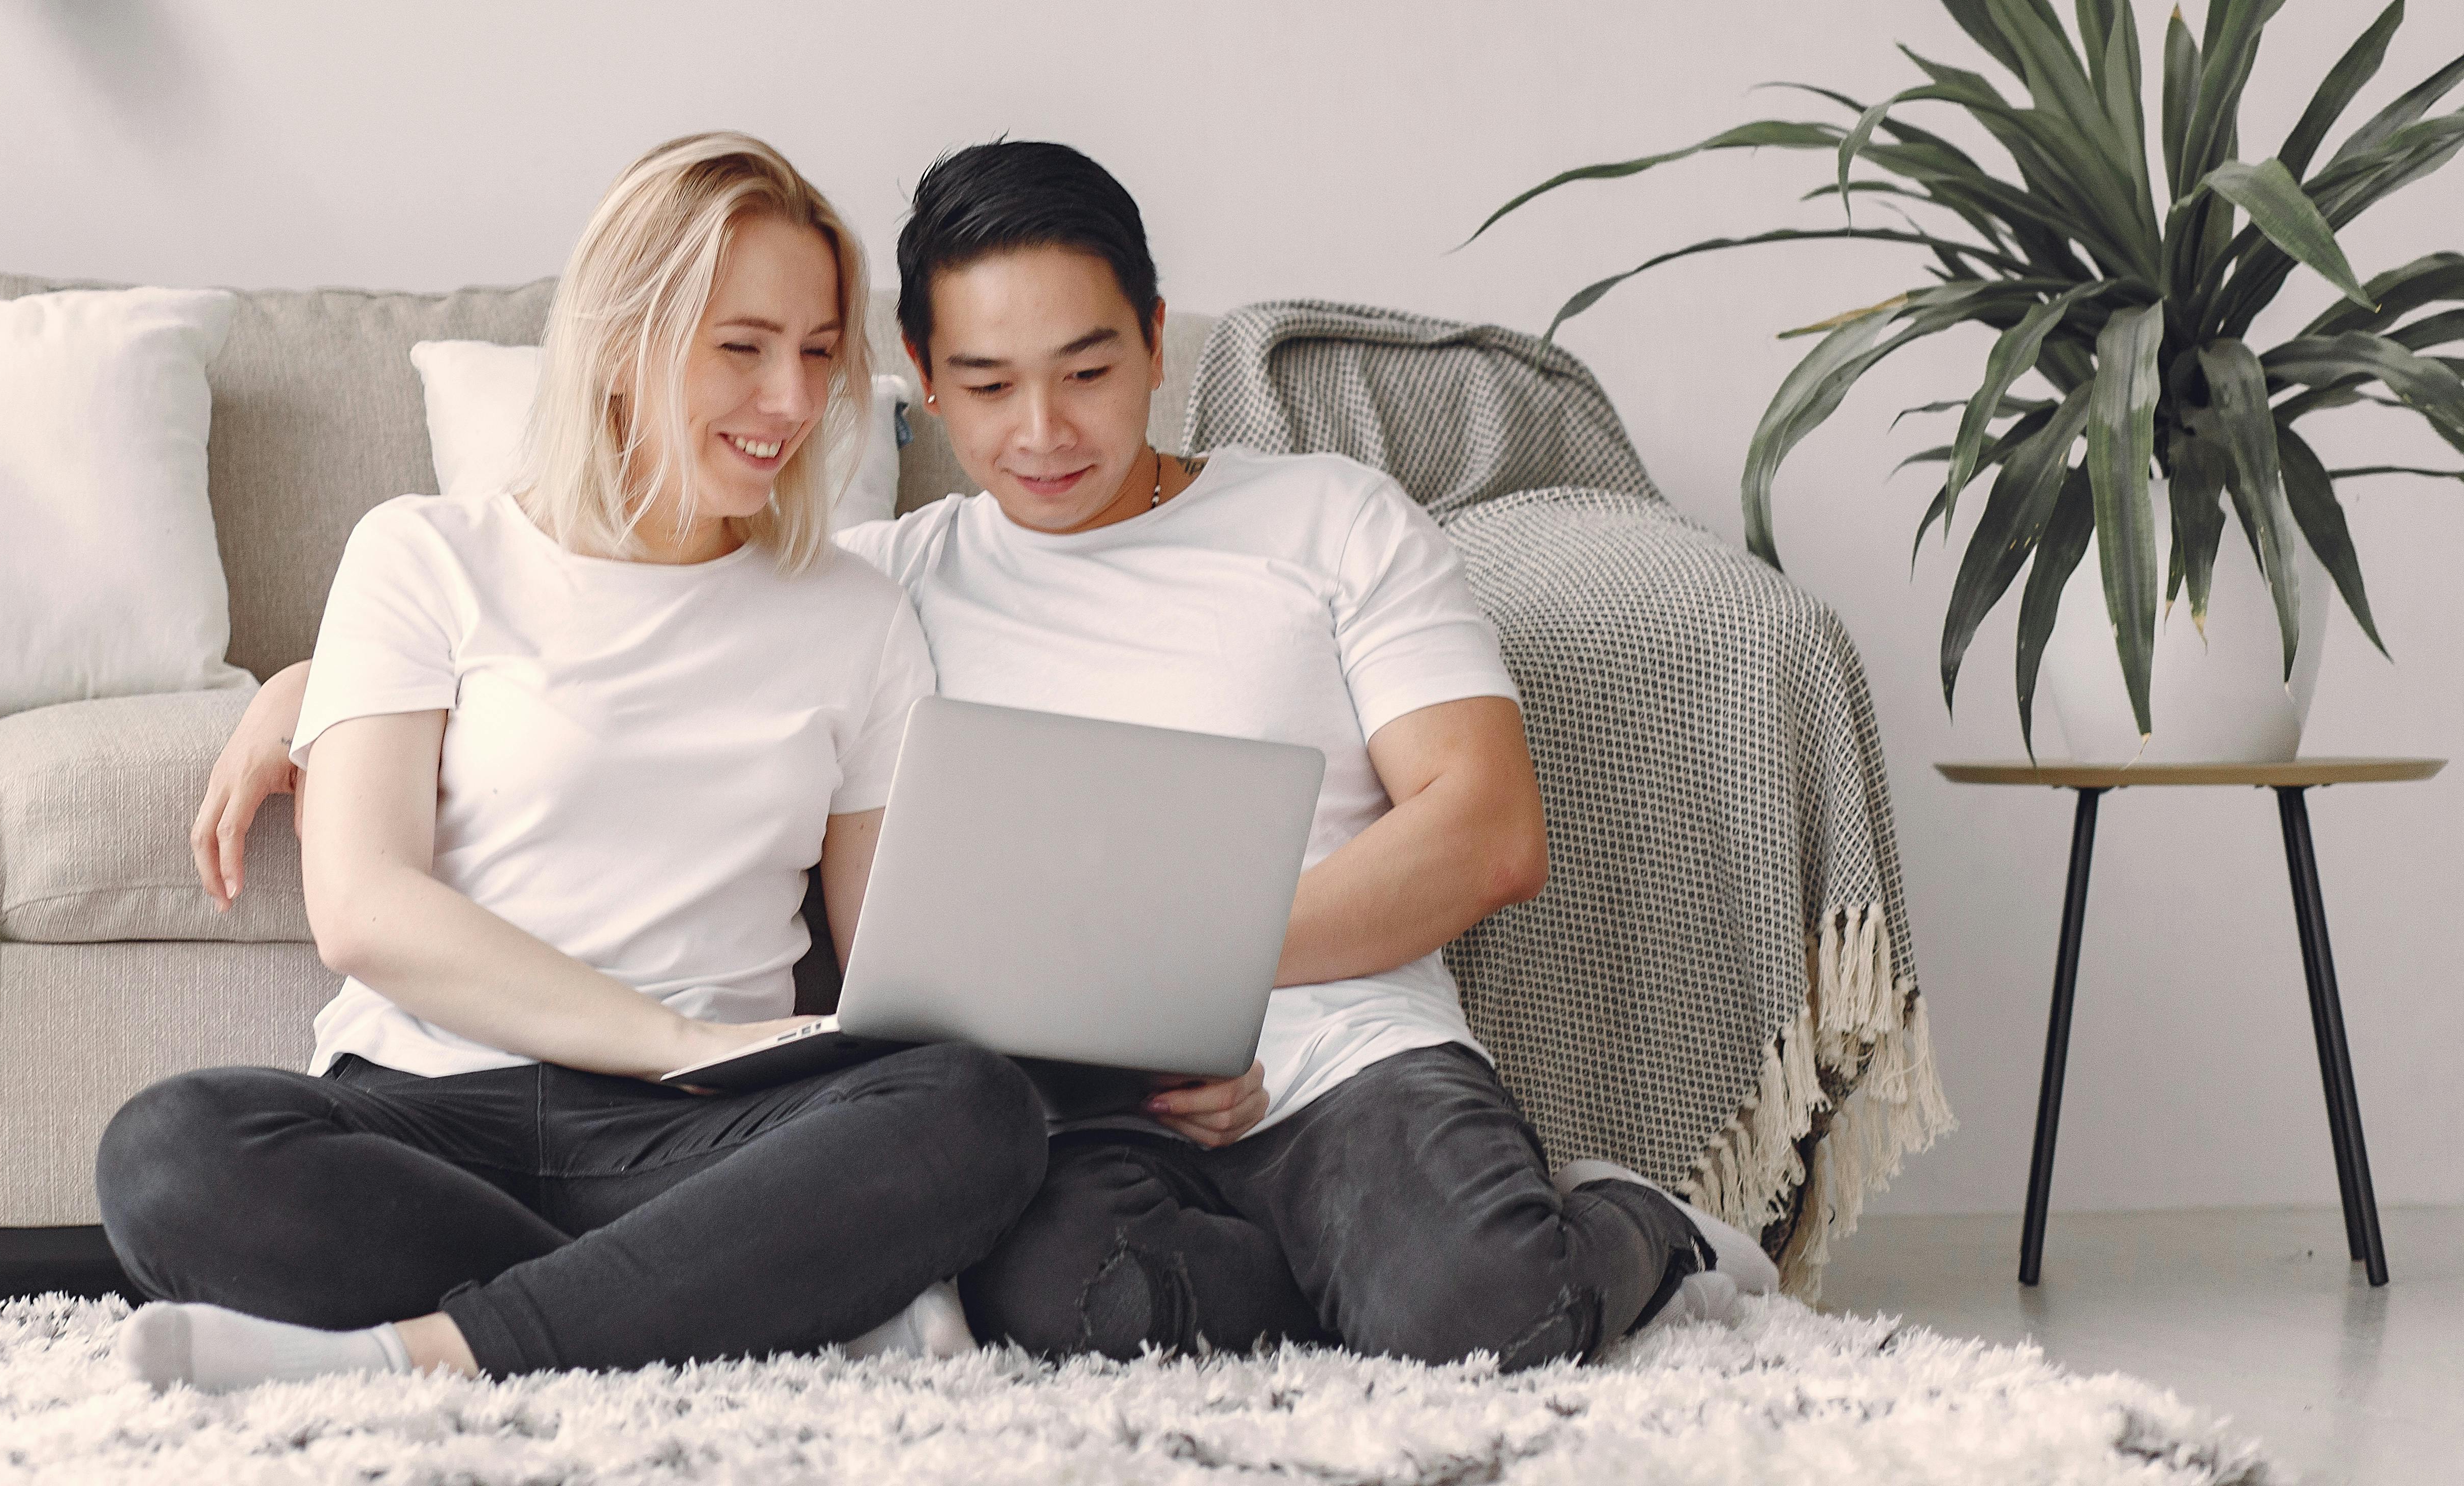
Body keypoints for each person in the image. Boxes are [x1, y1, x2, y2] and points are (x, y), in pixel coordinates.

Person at [199, 138, 1776, 1370]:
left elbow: (1490, 832)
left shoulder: (1330, 519)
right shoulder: (895, 577)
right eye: (985, 386)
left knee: (1478, 1316)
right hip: (1087, 1098)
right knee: (1069, 1314)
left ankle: (1635, 1233)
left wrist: (1190, 990)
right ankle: (700, 1300)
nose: (1043, 432)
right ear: (924, 386)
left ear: (1159, 338)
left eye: (1088, 371)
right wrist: (317, 684)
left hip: (1339, 1057)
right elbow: (643, 641)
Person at [97, 132, 1049, 1393]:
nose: (794, 399)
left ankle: (429, 1351)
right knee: (168, 1148)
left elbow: (895, 969)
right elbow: (366, 909)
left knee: (974, 1106)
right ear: (620, 340)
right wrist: (662, 1037)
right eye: (743, 346)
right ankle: (755, 1295)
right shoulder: (424, 553)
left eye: (821, 351)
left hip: (705, 1132)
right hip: (431, 1104)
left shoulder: (857, 616)